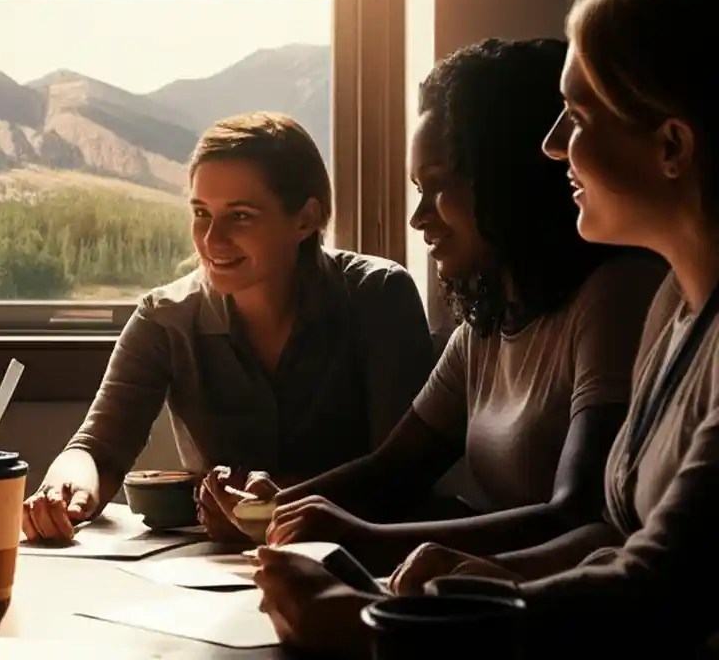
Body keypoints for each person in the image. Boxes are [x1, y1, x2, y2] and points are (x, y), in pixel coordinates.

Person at [256, 0, 719, 658]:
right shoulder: (672, 310)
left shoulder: (629, 302)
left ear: (672, 146)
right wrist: (488, 583)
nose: (553, 144)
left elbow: (665, 588)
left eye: (579, 116)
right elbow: (612, 535)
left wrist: (375, 626)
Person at [215, 39, 665, 573]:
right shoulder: (484, 327)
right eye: (415, 189)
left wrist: (366, 539)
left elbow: (578, 515)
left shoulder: (616, 297)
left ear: (508, 180)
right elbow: (394, 468)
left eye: (438, 186)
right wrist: (273, 510)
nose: (419, 217)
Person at [23, 111, 434, 542]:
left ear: (305, 219)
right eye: (202, 213)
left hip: (363, 562)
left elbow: (403, 473)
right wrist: (63, 491)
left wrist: (272, 508)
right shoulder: (165, 317)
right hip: (216, 572)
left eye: (240, 216)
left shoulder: (378, 297)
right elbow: (96, 448)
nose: (211, 239)